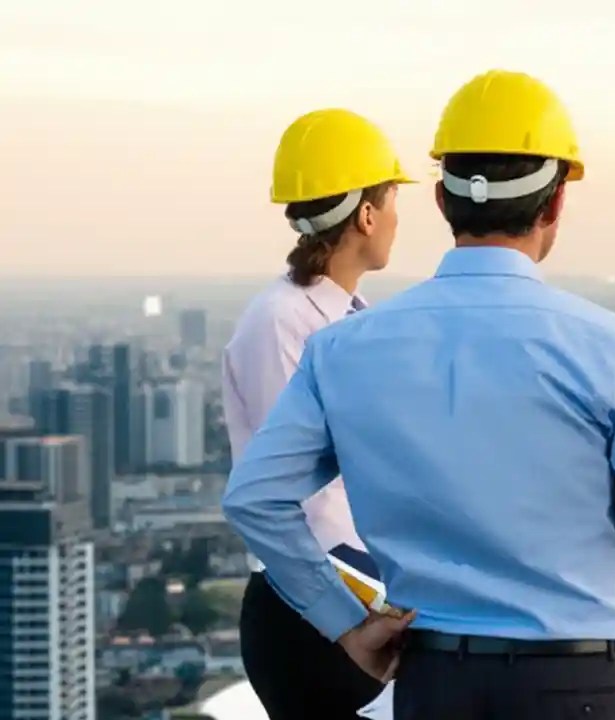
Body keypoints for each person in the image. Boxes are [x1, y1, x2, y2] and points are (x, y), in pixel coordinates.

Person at [222, 69, 615, 720]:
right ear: (556, 203)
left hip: (435, 683)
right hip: (580, 686)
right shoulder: (604, 343)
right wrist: (578, 490)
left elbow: (255, 498)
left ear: (443, 201)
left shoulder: (345, 347)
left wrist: (344, 623)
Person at [222, 107, 415, 720]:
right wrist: (350, 617)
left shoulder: (346, 316)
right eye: (390, 199)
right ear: (365, 213)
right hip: (314, 606)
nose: (394, 218)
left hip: (353, 598)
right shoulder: (284, 320)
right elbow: (291, 494)